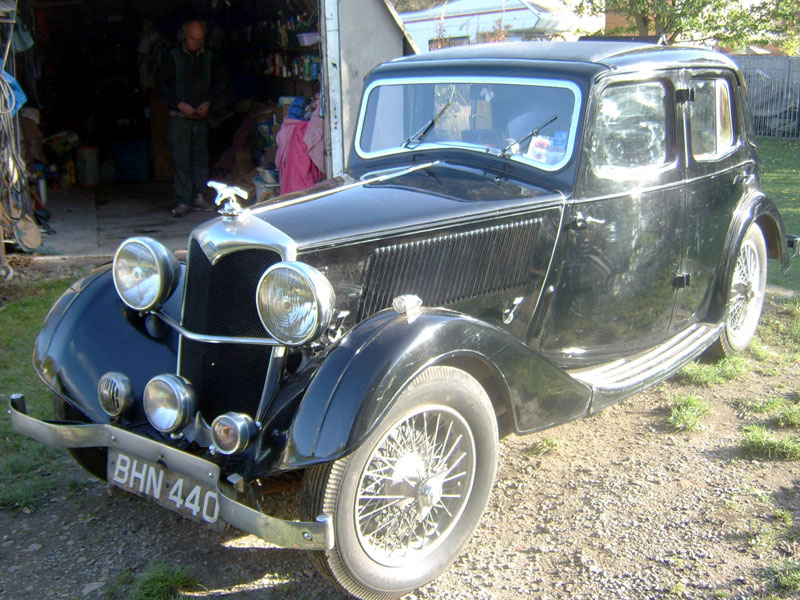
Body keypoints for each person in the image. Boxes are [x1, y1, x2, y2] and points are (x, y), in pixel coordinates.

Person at [157, 19, 220, 216]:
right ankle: (183, 199)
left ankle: (199, 196)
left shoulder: (209, 57)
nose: (196, 43)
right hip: (179, 116)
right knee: (181, 158)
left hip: (200, 116)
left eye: (199, 39)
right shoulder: (172, 56)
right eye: (193, 39)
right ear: (185, 36)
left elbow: (219, 83)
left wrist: (208, 102)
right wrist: (179, 104)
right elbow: (162, 84)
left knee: (201, 158)